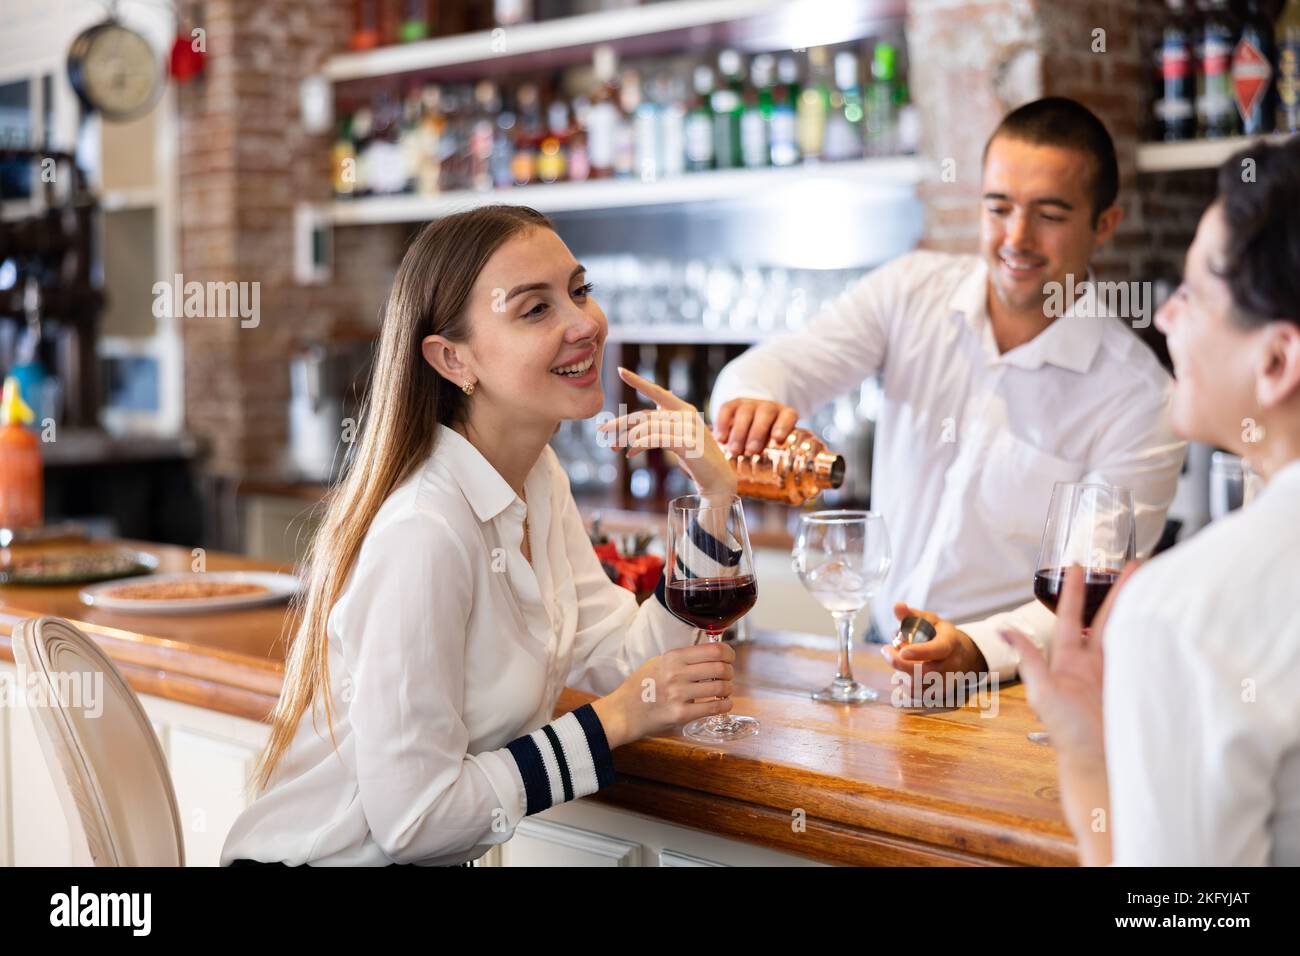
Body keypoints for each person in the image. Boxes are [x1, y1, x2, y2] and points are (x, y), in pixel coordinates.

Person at [221, 205, 740, 867]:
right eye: (534, 310)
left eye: (579, 291)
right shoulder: (426, 530)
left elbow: (623, 657)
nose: (584, 324)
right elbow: (417, 819)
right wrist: (614, 722)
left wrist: (715, 499)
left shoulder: (537, 476)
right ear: (452, 358)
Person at [707, 97, 1186, 691]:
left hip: (1012, 685)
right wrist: (752, 398)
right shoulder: (911, 290)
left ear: (1103, 225)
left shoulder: (1142, 399)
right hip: (882, 660)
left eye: (1050, 214)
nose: (1017, 237)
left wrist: (978, 651)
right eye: (999, 206)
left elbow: (1088, 595)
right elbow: (781, 363)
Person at [1003, 137, 1300, 865]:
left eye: (1193, 292)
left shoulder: (1183, 612)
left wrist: (1083, 759)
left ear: (1277, 361)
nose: (1163, 316)